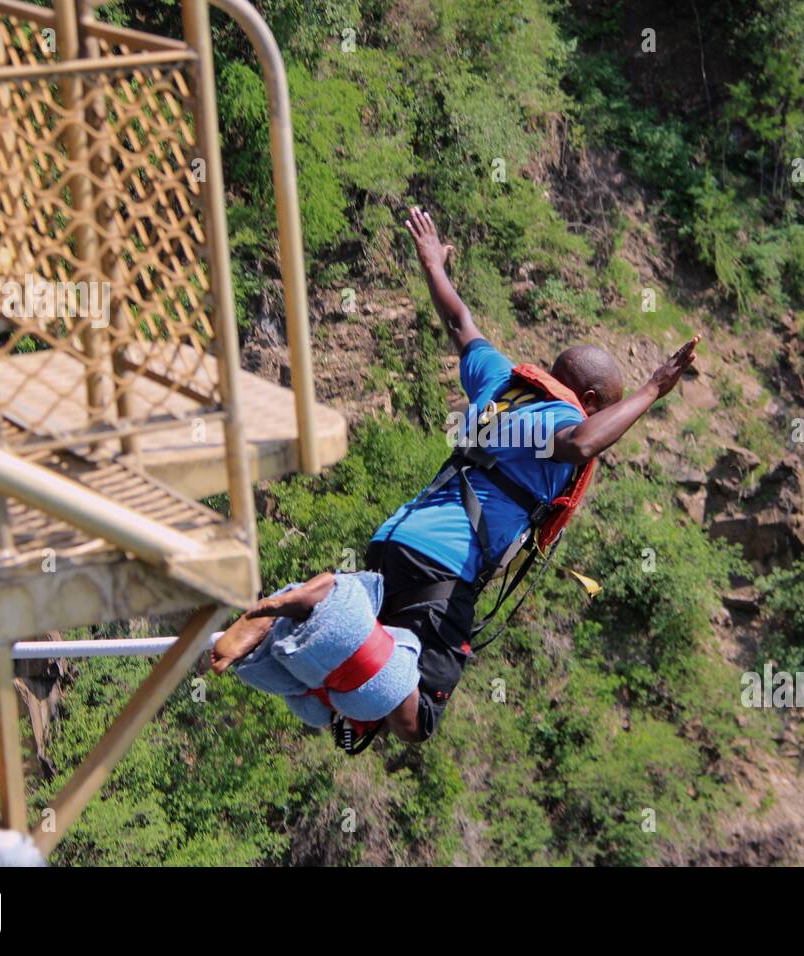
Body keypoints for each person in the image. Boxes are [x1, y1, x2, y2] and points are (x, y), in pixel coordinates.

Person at [211, 207, 698, 744]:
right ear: (585, 399)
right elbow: (583, 443)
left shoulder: (499, 383)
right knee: (417, 720)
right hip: (444, 566)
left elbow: (459, 322)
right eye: (604, 407)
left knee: (366, 675)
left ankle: (302, 612)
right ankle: (318, 596)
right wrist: (653, 389)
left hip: (396, 544)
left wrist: (433, 265)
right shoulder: (566, 417)